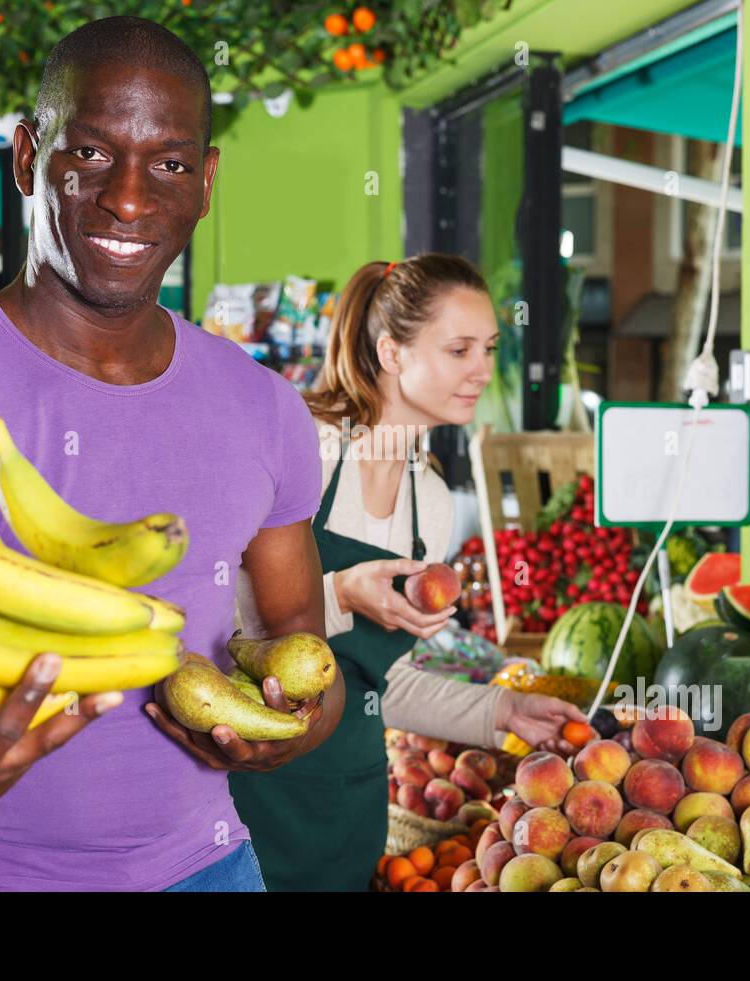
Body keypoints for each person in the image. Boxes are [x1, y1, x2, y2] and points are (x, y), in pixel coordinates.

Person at [0, 16, 338, 892]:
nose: (129, 200)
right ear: (28, 157)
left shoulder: (264, 407)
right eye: (91, 155)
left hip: (209, 867)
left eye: (170, 164)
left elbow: (298, 639)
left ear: (206, 182)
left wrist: (284, 730)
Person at [230, 255, 588, 891]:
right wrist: (340, 594)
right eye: (459, 350)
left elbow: (380, 685)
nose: (481, 371)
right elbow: (212, 625)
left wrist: (502, 709)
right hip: (240, 783)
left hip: (348, 801)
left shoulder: (433, 506)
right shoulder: (304, 449)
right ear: (391, 353)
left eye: (488, 348)